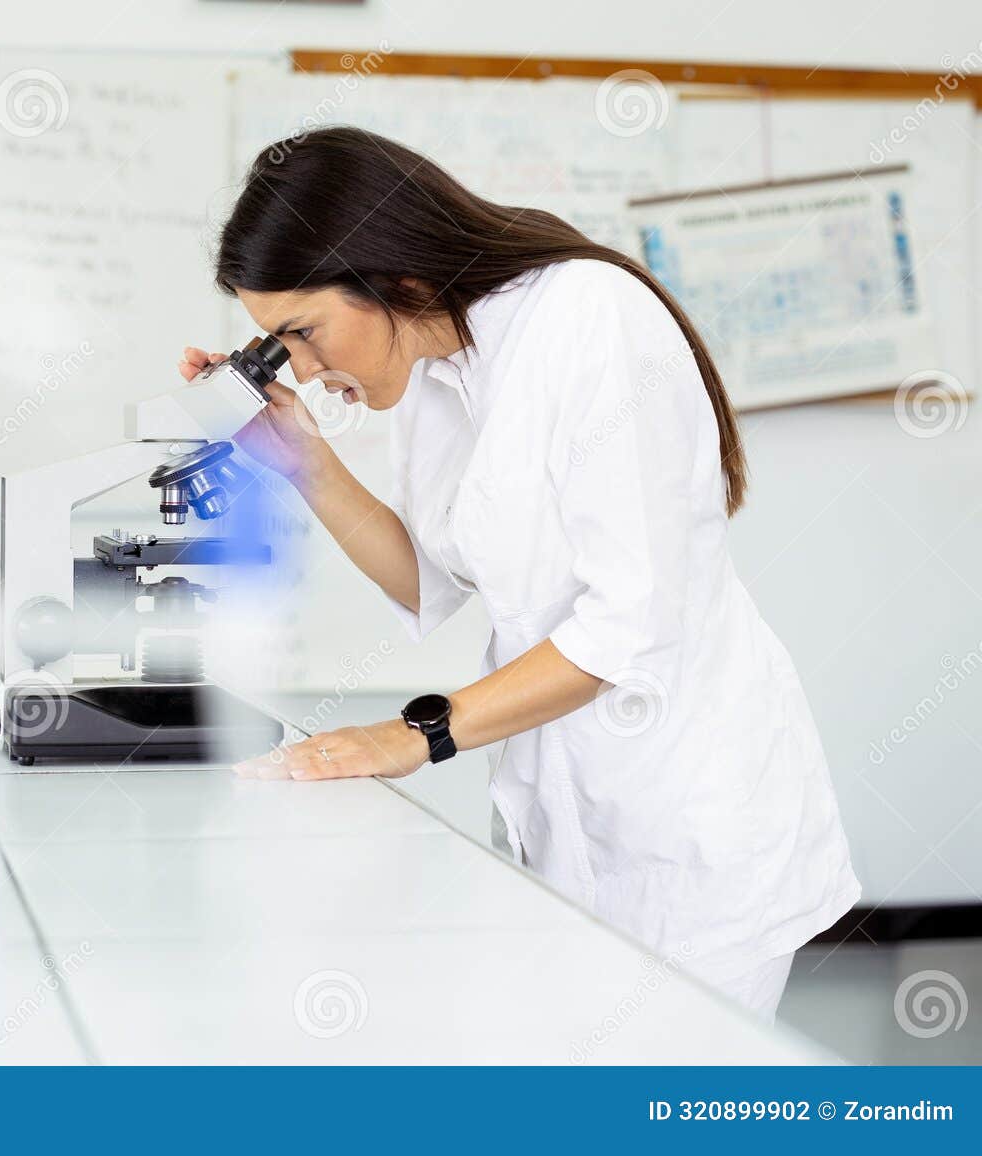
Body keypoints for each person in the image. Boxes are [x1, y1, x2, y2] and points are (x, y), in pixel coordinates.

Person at [183, 125, 859, 1025]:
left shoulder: (590, 317)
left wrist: (415, 734)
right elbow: (431, 578)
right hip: (563, 814)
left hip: (690, 830)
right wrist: (300, 455)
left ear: (393, 275)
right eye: (276, 344)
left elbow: (628, 623)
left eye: (301, 333)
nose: (301, 367)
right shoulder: (433, 367)